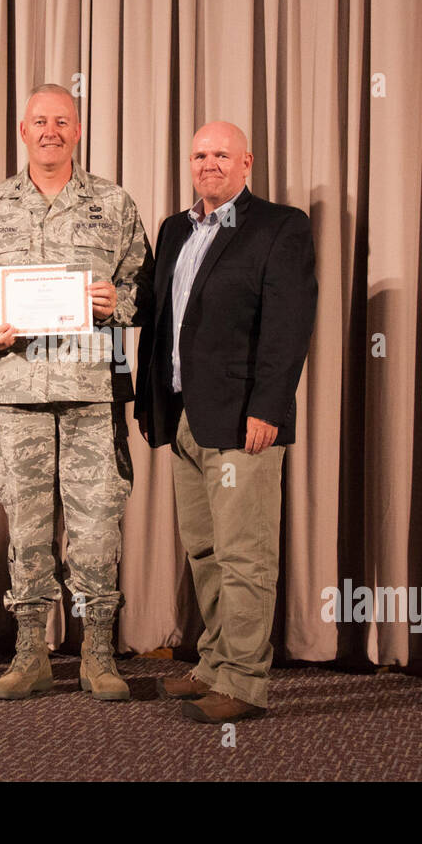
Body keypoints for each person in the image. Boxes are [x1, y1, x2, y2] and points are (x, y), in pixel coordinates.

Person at [0, 83, 152, 701]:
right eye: (39, 121)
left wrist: (119, 301)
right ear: (22, 130)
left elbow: (149, 286)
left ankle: (97, 653)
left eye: (61, 121)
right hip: (17, 392)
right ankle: (30, 651)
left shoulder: (113, 205)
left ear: (78, 129)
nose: (50, 132)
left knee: (97, 530)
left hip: (93, 390)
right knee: (28, 530)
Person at [134, 121, 317, 723]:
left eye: (221, 154)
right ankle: (213, 662)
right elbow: (159, 317)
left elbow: (288, 326)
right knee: (206, 550)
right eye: (199, 154)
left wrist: (269, 407)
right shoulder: (174, 229)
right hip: (184, 415)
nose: (209, 163)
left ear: (247, 163)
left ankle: (243, 681)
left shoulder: (279, 226)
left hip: (243, 421)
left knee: (246, 555)